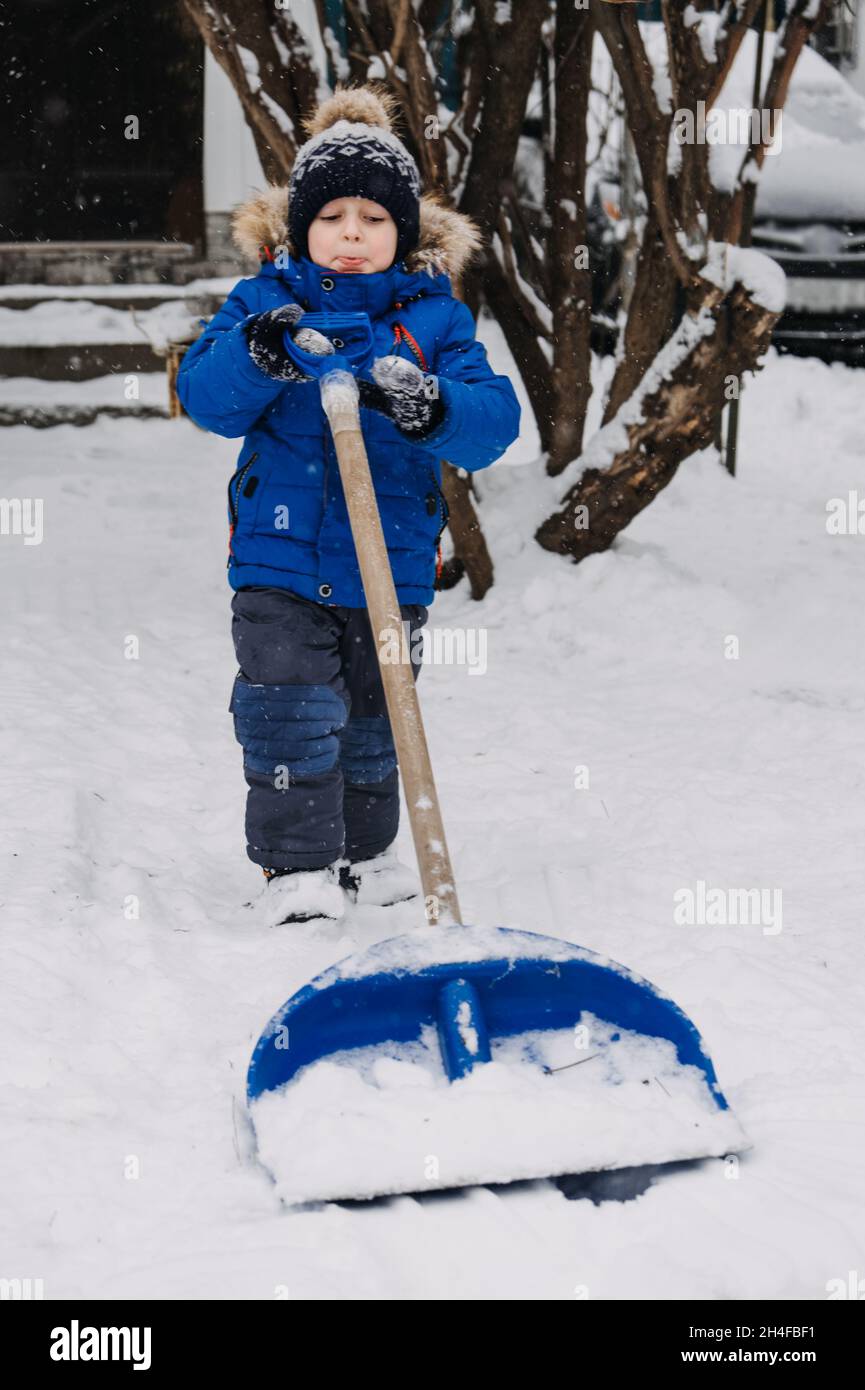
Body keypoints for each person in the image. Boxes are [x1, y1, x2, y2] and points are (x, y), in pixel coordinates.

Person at [177, 83, 520, 925]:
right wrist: (261, 357)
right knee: (290, 711)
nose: (353, 235)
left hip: (391, 566)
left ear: (404, 233)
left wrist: (428, 405)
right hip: (279, 563)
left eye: (374, 219)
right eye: (333, 218)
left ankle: (368, 856)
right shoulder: (263, 305)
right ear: (300, 228)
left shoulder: (433, 322)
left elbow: (492, 423)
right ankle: (297, 870)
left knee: (378, 720)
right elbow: (206, 397)